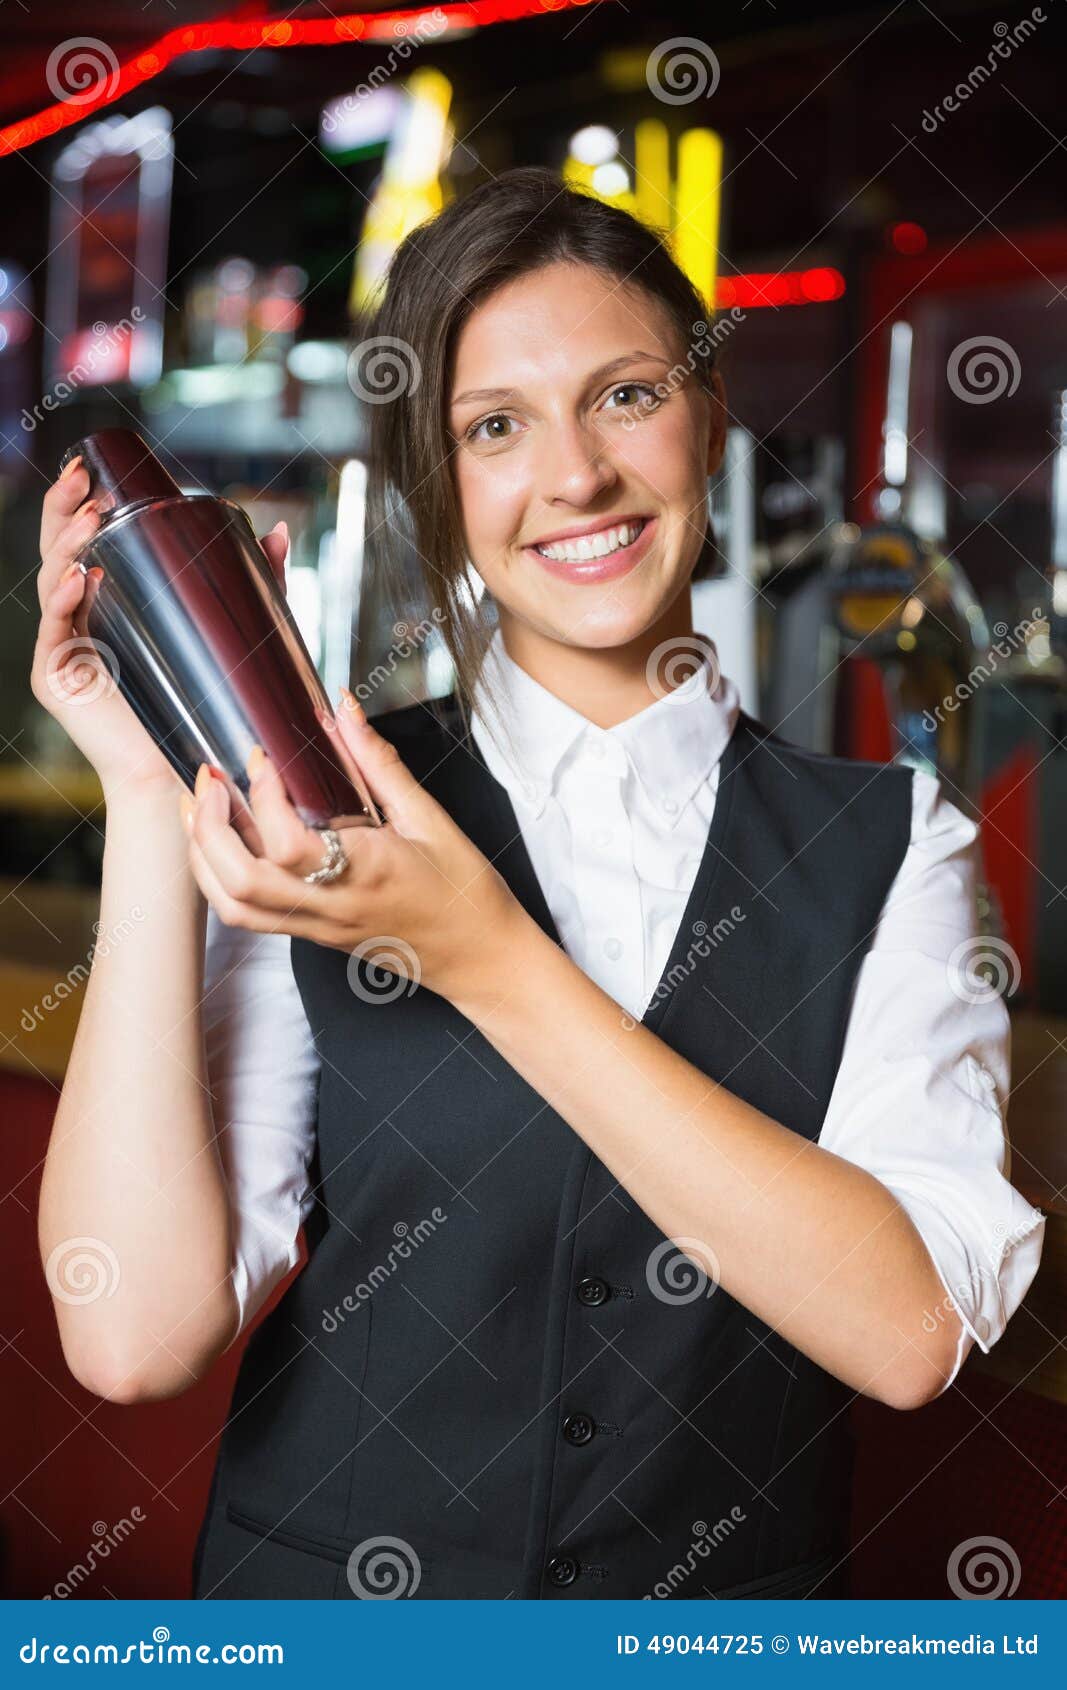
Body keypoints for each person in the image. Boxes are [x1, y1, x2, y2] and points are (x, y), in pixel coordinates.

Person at [34, 168, 1043, 1601]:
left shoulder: (898, 844)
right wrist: (149, 792)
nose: (575, 477)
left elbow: (908, 1333)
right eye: (495, 427)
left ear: (708, 418)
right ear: (436, 487)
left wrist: (487, 957)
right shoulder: (325, 807)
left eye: (625, 396)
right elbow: (132, 1337)